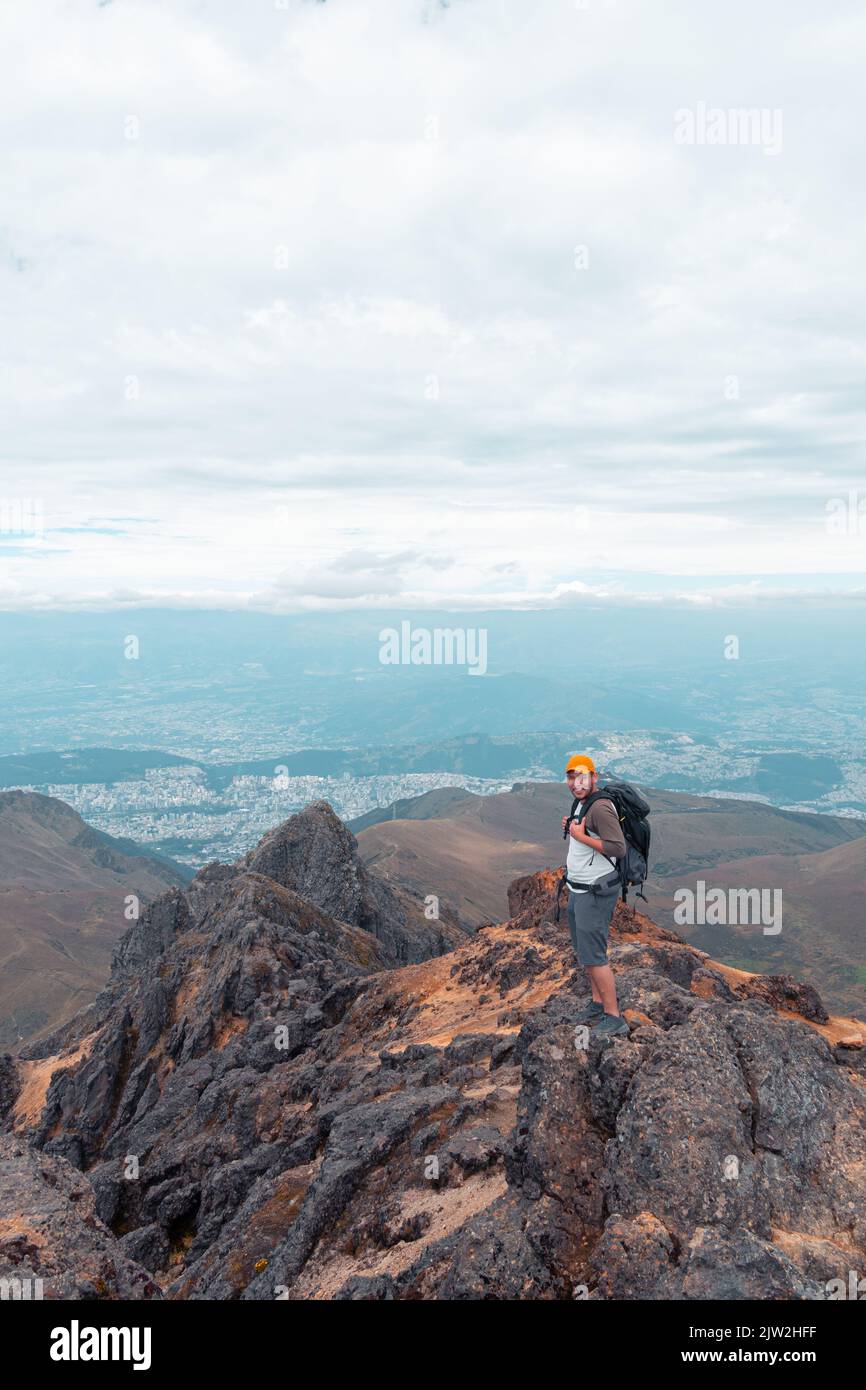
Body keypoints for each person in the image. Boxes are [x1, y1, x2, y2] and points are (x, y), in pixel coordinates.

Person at [561, 754, 629, 1036]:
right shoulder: (582, 803)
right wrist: (575, 829)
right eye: (571, 777)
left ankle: (614, 1017)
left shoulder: (600, 807)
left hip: (595, 891)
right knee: (586, 953)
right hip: (579, 889)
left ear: (594, 777)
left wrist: (580, 837)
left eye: (582, 777)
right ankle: (597, 1002)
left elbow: (617, 847)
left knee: (596, 956)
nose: (576, 783)